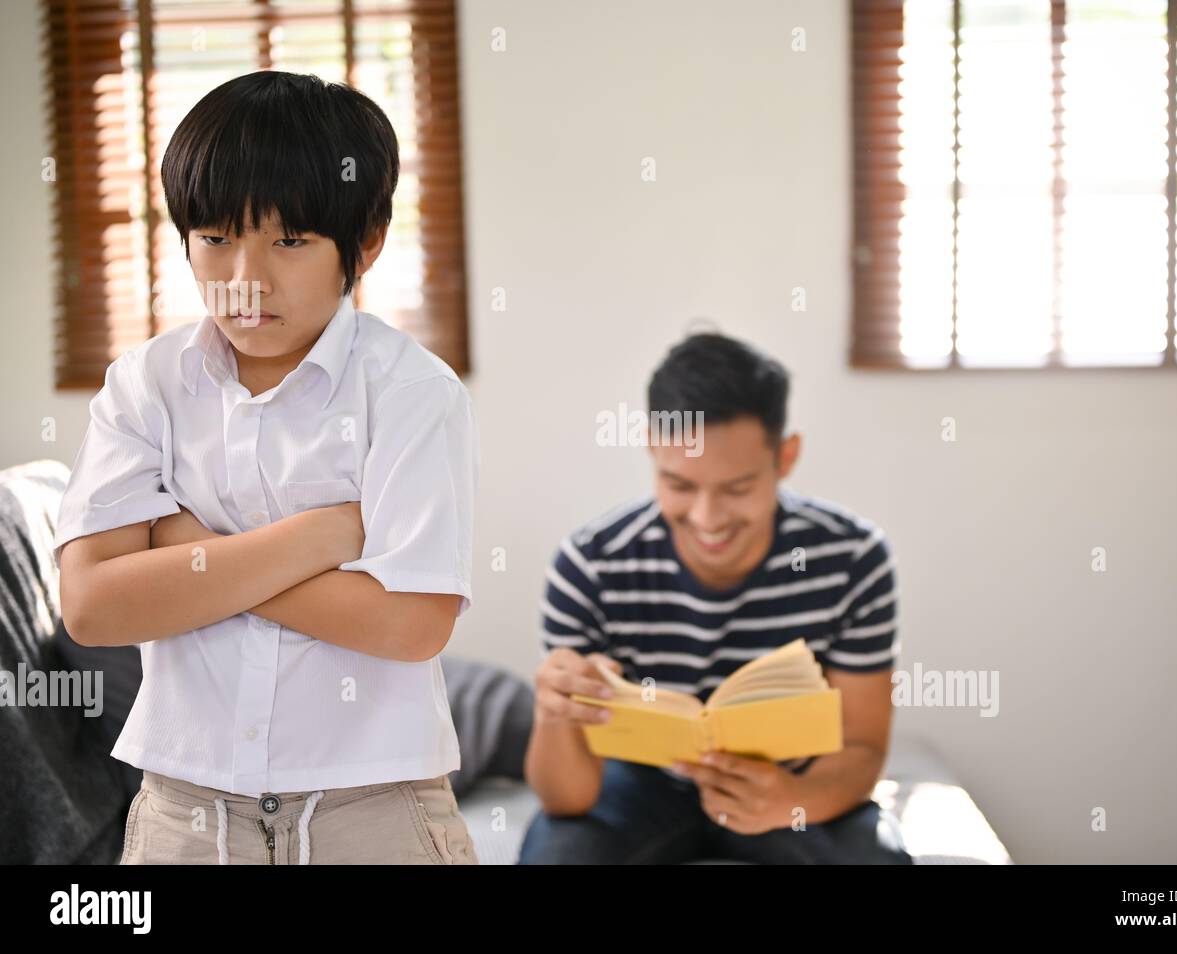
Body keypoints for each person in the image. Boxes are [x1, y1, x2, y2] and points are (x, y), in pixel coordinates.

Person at [52, 71, 480, 865]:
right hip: (185, 810)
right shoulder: (145, 384)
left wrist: (190, 547)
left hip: (374, 809)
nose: (244, 277)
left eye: (288, 241)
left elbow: (410, 624)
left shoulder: (414, 394)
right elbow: (92, 605)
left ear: (366, 243)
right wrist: (318, 538)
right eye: (215, 239)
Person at [520, 332, 911, 864]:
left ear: (786, 457)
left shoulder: (853, 558)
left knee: (876, 856)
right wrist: (553, 713)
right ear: (651, 448)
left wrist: (793, 799)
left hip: (789, 778)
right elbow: (566, 801)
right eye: (679, 484)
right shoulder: (591, 563)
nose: (707, 518)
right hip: (641, 785)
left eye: (737, 489)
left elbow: (863, 746)